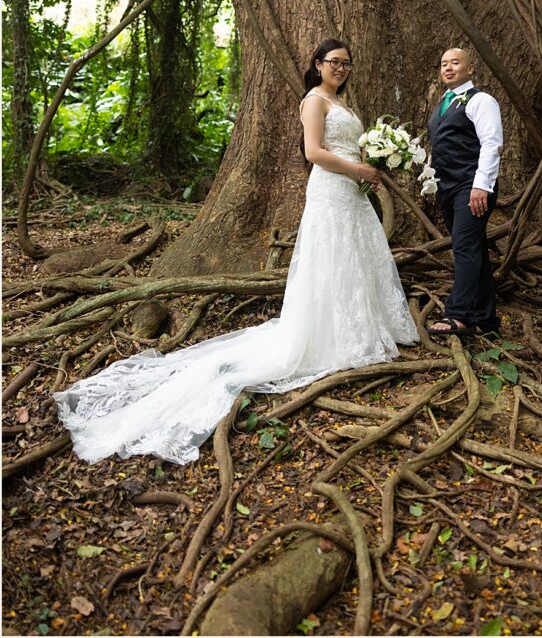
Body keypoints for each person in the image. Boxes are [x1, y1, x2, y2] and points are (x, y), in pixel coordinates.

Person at [54, 39, 418, 464]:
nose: (341, 68)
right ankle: (333, 333)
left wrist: (376, 161)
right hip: (331, 189)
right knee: (332, 257)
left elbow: (349, 147)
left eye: (346, 63)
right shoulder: (314, 101)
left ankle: (364, 323)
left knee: (354, 255)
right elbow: (313, 152)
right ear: (318, 65)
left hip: (351, 192)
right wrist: (358, 168)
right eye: (333, 62)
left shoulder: (345, 104)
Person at [425, 47, 504, 337]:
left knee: (464, 248)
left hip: (471, 187)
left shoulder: (481, 100)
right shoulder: (442, 103)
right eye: (443, 63)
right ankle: (486, 319)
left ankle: (457, 315)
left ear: (470, 69)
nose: (448, 68)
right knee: (475, 250)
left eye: (455, 63)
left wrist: (481, 185)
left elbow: (491, 142)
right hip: (447, 187)